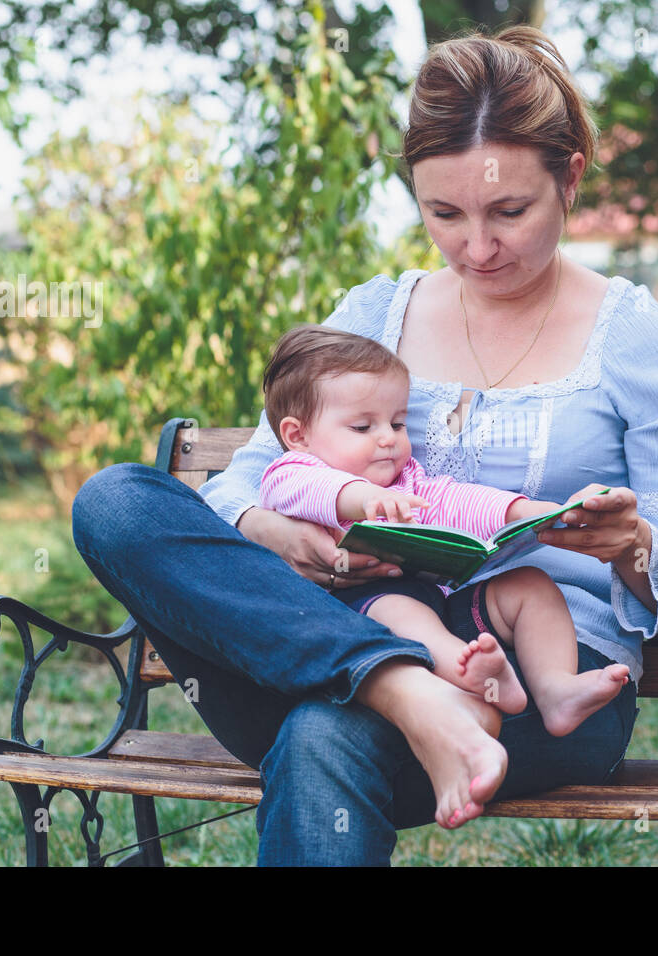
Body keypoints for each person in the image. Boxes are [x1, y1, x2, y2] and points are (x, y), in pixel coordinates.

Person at [71, 24, 658, 866]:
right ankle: (405, 689)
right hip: (325, 634)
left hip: (531, 686)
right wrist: (284, 534)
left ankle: (399, 693)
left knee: (323, 737)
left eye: (509, 212)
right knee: (116, 501)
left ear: (569, 178)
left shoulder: (639, 339)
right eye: (444, 214)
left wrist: (635, 548)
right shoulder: (375, 312)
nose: (477, 248)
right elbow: (240, 489)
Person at [257, 325, 633, 815]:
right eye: (363, 427)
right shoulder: (292, 472)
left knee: (529, 586)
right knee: (400, 610)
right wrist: (366, 499)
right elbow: (308, 493)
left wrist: (530, 511)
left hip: (437, 605)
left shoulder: (406, 480)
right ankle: (473, 677)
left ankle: (555, 689)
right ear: (297, 435)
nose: (389, 440)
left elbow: (458, 499)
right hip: (359, 618)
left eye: (396, 423)